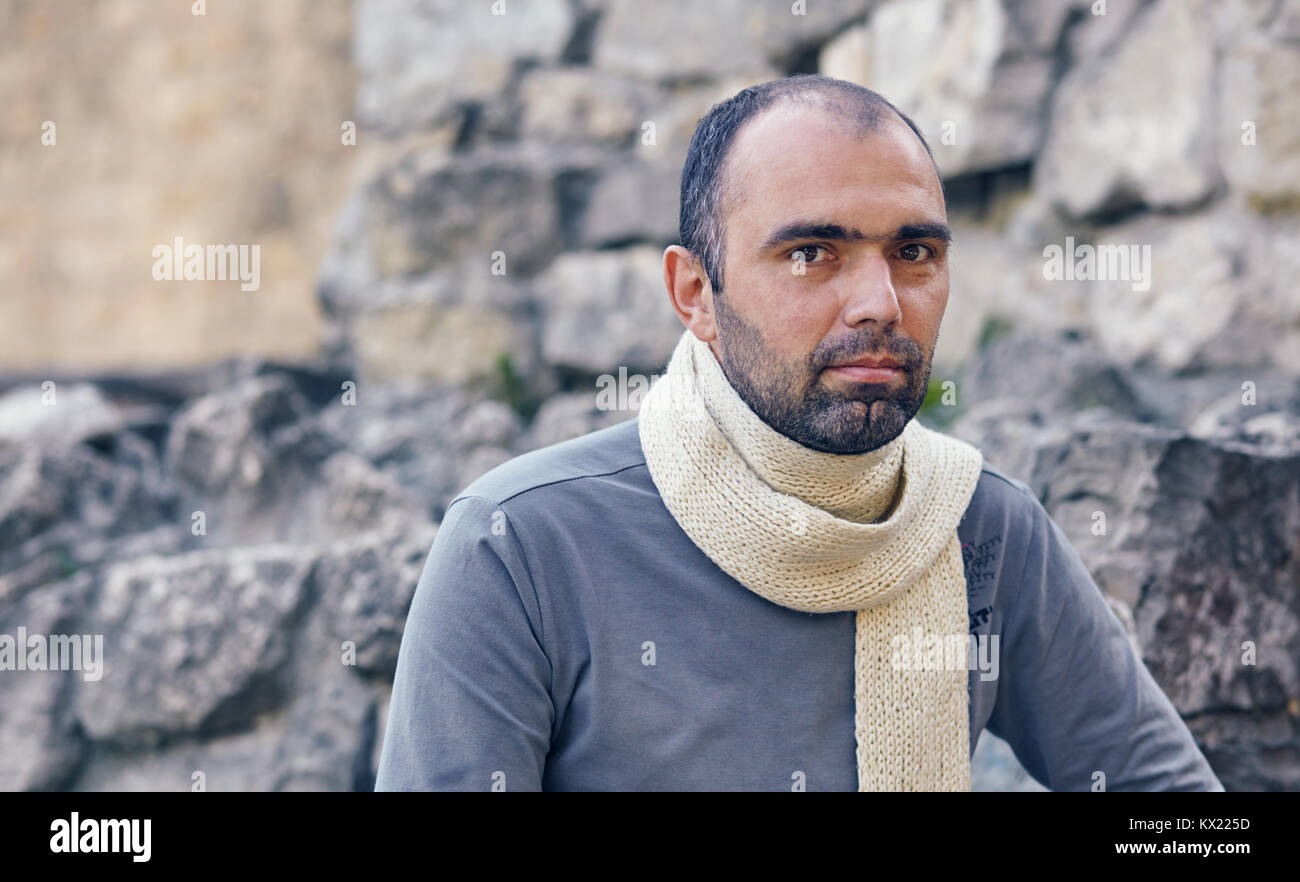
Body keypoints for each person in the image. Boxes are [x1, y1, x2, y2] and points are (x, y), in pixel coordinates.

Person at [374, 74, 1223, 792]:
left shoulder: (979, 528)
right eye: (812, 253)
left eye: (915, 251)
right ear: (696, 293)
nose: (881, 303)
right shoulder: (519, 544)